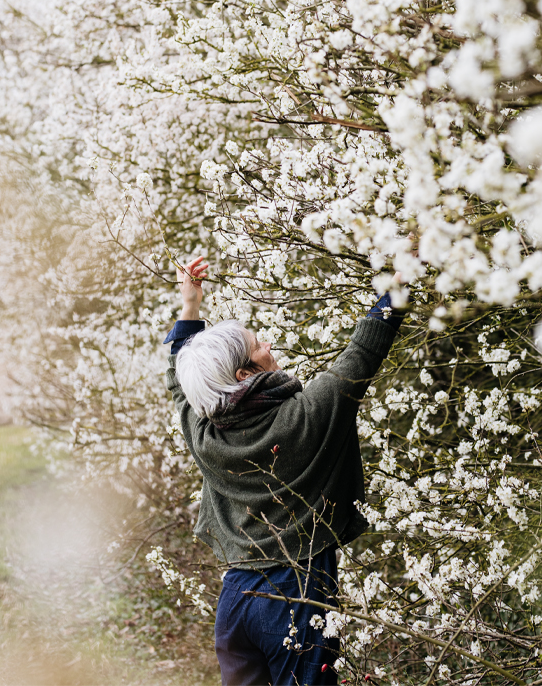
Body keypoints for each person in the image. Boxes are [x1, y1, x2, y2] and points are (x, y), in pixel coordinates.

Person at [164, 255, 405, 685]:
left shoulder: (205, 437)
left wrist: (189, 306)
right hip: (296, 595)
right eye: (259, 346)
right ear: (245, 374)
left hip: (236, 602)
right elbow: (367, 348)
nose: (269, 346)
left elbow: (178, 380)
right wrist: (403, 274)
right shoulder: (308, 415)